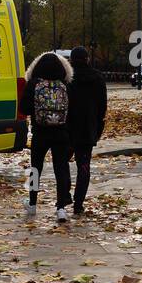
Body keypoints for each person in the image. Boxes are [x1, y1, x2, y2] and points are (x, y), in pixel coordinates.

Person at [20, 50, 74, 222]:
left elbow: (24, 108)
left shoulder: (34, 83)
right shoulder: (65, 85)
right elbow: (72, 111)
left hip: (40, 133)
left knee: (35, 168)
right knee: (61, 169)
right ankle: (61, 208)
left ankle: (32, 203)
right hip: (61, 133)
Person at [65, 45, 107, 216]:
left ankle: (65, 194)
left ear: (71, 60)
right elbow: (102, 106)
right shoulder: (97, 78)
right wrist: (97, 128)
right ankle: (78, 203)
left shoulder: (66, 78)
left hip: (67, 127)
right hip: (87, 127)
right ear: (87, 59)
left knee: (62, 163)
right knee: (84, 166)